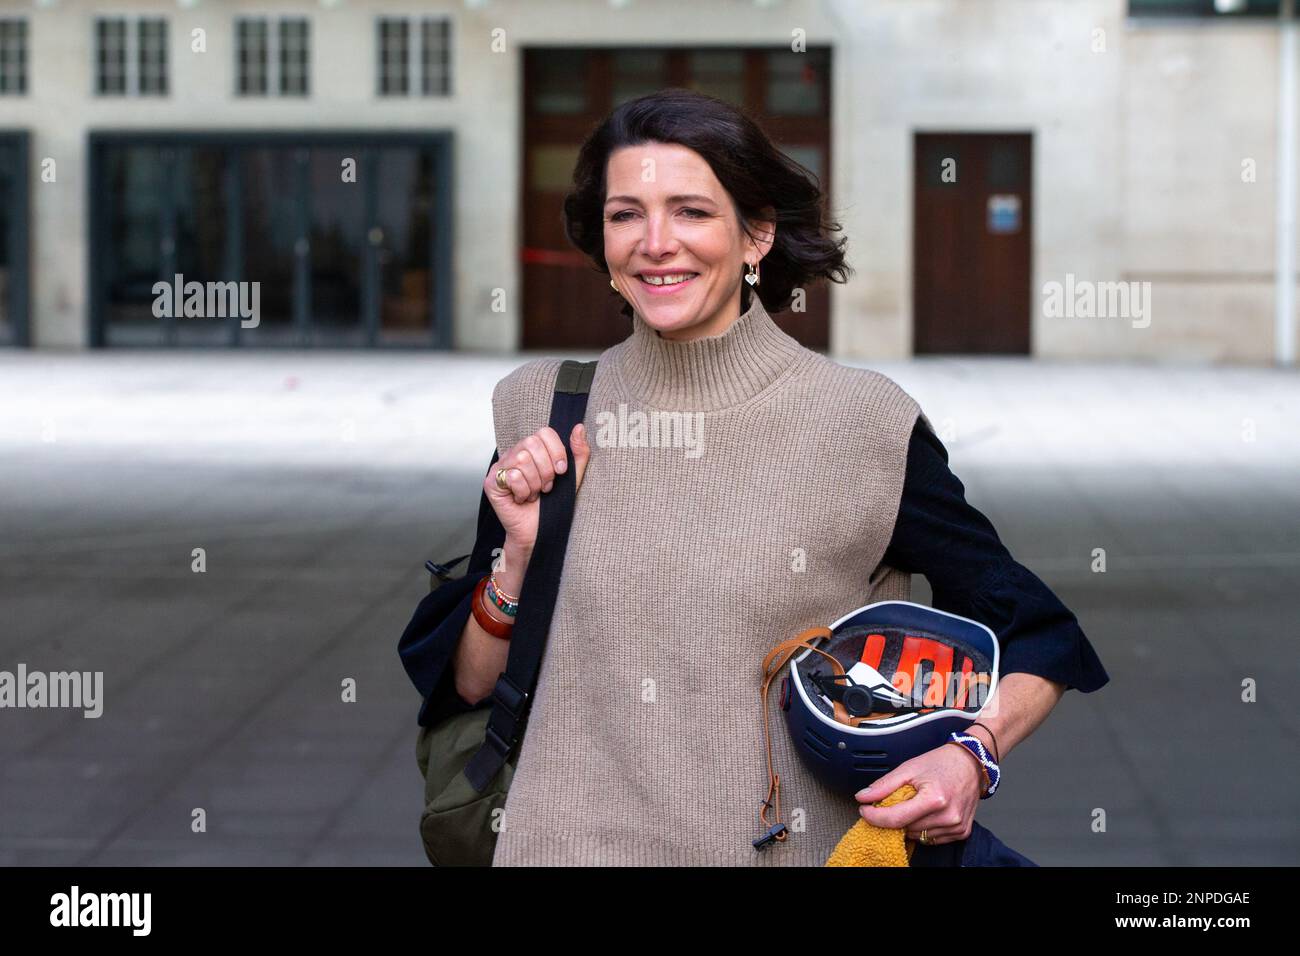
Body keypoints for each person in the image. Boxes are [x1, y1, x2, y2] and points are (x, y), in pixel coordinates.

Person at [403, 88, 1109, 866]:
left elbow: (1038, 630)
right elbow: (469, 687)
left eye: (692, 212)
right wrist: (518, 561)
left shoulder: (862, 424)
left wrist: (971, 756)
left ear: (757, 234)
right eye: (626, 213)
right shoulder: (540, 408)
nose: (655, 242)